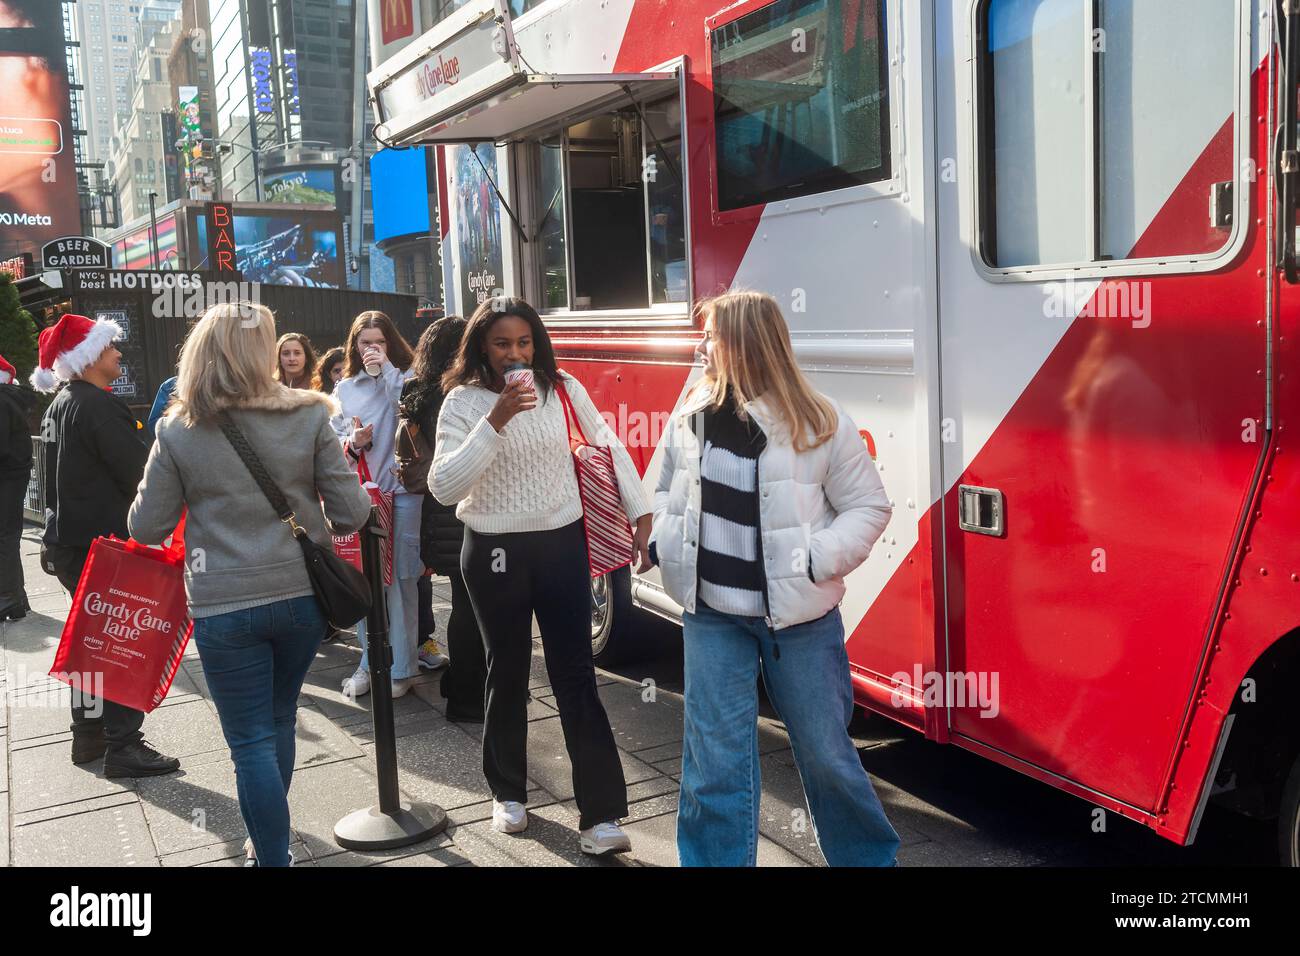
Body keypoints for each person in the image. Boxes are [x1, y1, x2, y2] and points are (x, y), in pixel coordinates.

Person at [648, 290, 900, 867]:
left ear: (743, 342)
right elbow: (661, 489)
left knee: (827, 755)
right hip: (711, 616)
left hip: (800, 623)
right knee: (714, 763)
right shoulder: (692, 413)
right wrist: (664, 539)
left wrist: (814, 559)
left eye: (710, 336)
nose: (701, 346)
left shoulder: (819, 419)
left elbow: (869, 507)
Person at [128, 302, 372, 868]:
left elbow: (146, 525)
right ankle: (271, 837)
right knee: (281, 717)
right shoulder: (310, 415)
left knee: (249, 741)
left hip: (223, 602)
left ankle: (271, 854)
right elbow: (352, 513)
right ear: (264, 352)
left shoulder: (178, 428)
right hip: (301, 596)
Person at [430, 297, 652, 855]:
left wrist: (640, 510)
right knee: (506, 670)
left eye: (524, 342)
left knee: (574, 672)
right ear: (481, 344)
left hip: (561, 542)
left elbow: (606, 443)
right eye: (502, 343)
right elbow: (444, 485)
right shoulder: (461, 402)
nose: (515, 354)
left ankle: (600, 815)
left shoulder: (563, 388)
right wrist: (496, 421)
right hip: (494, 548)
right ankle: (508, 791)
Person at [29, 313, 181, 778]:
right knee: (118, 642)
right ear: (90, 356)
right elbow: (141, 475)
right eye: (111, 347)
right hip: (104, 545)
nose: (119, 354)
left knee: (92, 642)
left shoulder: (62, 402)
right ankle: (123, 744)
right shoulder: (98, 405)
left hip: (70, 542)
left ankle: (89, 736)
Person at [331, 310, 446, 700]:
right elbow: (330, 449)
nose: (371, 349)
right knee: (367, 583)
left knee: (403, 581)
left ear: (390, 344)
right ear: (354, 346)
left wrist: (387, 379)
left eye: (378, 342)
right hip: (365, 496)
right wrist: (353, 444)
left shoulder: (406, 380)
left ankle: (403, 667)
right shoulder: (344, 389)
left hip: (404, 495)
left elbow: (414, 415)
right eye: (365, 343)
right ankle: (369, 661)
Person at [402, 317, 487, 722]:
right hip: (468, 509)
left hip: (436, 513)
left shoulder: (416, 393)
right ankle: (470, 698)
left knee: (462, 602)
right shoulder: (466, 394)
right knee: (477, 607)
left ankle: (460, 689)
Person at [0, 353, 35, 620]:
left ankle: (9, 597)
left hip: (7, 478)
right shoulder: (8, 398)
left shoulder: (1, 400)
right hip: (12, 477)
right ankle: (16, 597)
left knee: (5, 538)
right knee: (8, 536)